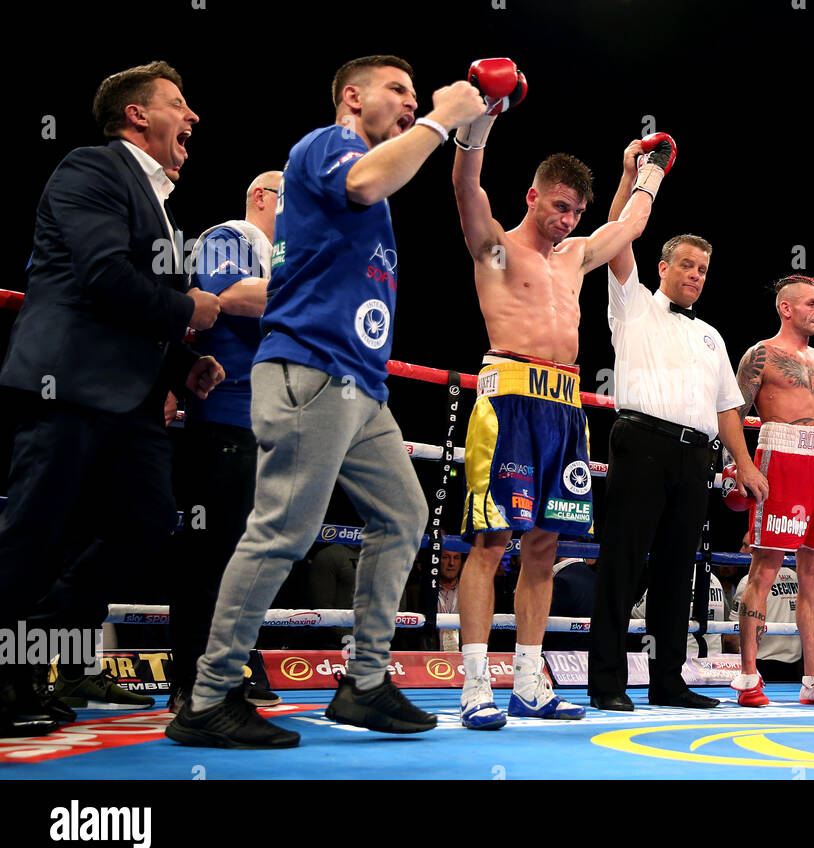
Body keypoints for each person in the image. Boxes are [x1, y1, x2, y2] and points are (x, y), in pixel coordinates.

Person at [167, 56, 486, 749]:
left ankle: (364, 683)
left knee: (404, 516)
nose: (408, 101)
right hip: (311, 369)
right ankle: (211, 693)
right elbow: (373, 177)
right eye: (395, 90)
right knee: (281, 530)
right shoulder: (328, 145)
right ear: (352, 97)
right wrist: (439, 115)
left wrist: (475, 125)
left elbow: (408, 174)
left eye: (412, 95)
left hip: (360, 384)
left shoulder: (375, 169)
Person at [0, 62, 224, 736]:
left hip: (129, 400)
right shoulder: (92, 168)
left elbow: (134, 301)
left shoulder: (160, 200)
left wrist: (183, 362)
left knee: (149, 520)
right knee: (35, 534)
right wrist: (188, 308)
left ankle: (37, 645)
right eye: (178, 104)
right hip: (68, 382)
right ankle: (8, 682)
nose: (192, 118)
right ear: (137, 115)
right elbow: (101, 276)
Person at [451, 61, 668, 729]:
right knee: (491, 543)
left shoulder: (574, 255)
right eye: (559, 206)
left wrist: (648, 172)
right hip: (508, 397)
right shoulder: (495, 250)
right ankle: (474, 685)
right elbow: (465, 185)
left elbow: (627, 229)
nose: (567, 218)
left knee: (545, 544)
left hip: (564, 406)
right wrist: (485, 110)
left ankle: (529, 681)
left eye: (575, 209)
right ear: (532, 197)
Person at [587, 144, 767, 713]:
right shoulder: (633, 303)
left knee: (677, 573)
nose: (695, 274)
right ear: (662, 267)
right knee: (622, 564)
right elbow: (618, 232)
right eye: (686, 265)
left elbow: (726, 408)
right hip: (640, 444)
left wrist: (745, 462)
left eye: (703, 269)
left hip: (698, 458)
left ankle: (668, 680)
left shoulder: (712, 335)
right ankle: (608, 682)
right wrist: (630, 176)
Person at [168, 170, 284, 713]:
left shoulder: (282, 255)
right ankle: (192, 678)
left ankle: (235, 664)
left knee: (254, 554)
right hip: (224, 417)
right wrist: (312, 291)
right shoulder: (231, 235)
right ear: (260, 197)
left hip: (271, 422)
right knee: (210, 552)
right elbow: (231, 294)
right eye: (291, 198)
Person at [726, 276, 814, 708]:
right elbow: (732, 411)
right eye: (811, 303)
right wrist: (739, 467)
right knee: (765, 568)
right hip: (781, 461)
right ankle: (748, 675)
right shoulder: (761, 354)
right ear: (785, 308)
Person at [728, 533, 802, 677]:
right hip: (793, 667)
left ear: (758, 548)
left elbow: (732, 638)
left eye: (745, 546)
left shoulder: (748, 582)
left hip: (757, 665)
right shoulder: (796, 577)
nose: (740, 552)